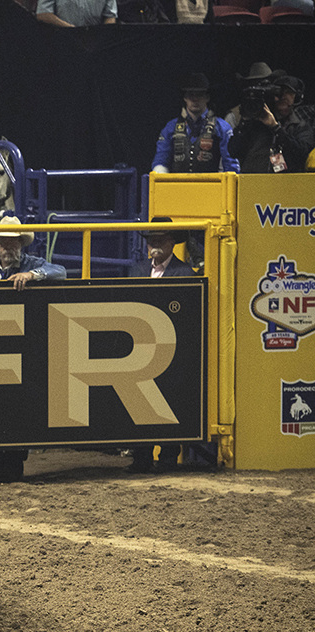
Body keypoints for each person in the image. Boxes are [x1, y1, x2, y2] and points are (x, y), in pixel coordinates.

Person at [0, 215, 66, 483]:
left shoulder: (31, 265)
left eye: (13, 243)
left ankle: (12, 463)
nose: (8, 248)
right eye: (4, 243)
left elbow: (60, 271)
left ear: (20, 245)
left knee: (18, 403)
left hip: (23, 347)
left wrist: (32, 275)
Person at [127, 217, 195, 472]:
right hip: (140, 344)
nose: (154, 243)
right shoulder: (137, 269)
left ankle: (167, 457)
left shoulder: (185, 272)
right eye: (151, 239)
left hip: (169, 346)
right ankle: (141, 457)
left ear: (172, 243)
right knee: (138, 400)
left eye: (160, 239)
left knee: (169, 399)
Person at [151, 73, 239, 174]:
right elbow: (161, 160)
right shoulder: (171, 128)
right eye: (190, 95)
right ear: (185, 98)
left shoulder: (221, 127)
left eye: (199, 95)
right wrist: (160, 174)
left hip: (210, 187)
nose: (195, 99)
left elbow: (230, 163)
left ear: (207, 97)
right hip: (177, 187)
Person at [228, 75, 314, 174]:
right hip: (251, 184)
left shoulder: (300, 127)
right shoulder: (256, 124)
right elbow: (233, 151)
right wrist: (245, 121)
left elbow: (301, 154)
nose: (283, 96)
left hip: (285, 185)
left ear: (297, 97)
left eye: (288, 93)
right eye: (278, 92)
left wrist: (276, 128)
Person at [129, 216, 197, 278]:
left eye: (161, 240)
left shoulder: (185, 274)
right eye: (152, 240)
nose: (156, 244)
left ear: (172, 243)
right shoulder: (137, 270)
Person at [35, 0, 118, 26]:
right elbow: (43, 14)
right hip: (60, 40)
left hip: (94, 44)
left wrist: (103, 35)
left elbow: (110, 16)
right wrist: (73, 31)